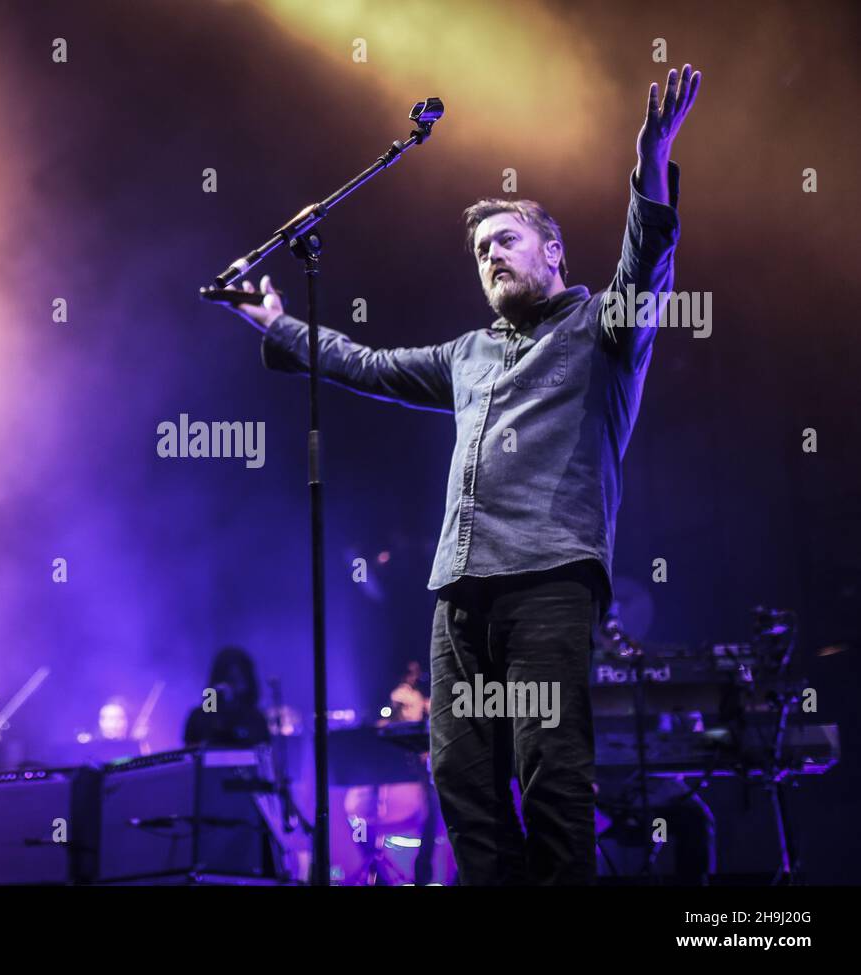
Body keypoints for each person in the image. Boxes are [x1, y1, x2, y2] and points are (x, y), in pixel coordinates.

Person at [217, 67, 702, 884]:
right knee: (463, 777)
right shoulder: (467, 355)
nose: (490, 257)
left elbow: (646, 256)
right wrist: (274, 320)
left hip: (550, 579)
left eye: (505, 240)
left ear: (552, 249)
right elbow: (364, 364)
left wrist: (651, 160)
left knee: (552, 772)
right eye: (480, 252)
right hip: (459, 593)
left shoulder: (601, 327)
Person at [183, 645, 271, 748]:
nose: (232, 689)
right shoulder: (199, 716)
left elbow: (261, 749)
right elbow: (192, 750)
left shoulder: (256, 719)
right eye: (229, 680)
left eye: (237, 680)